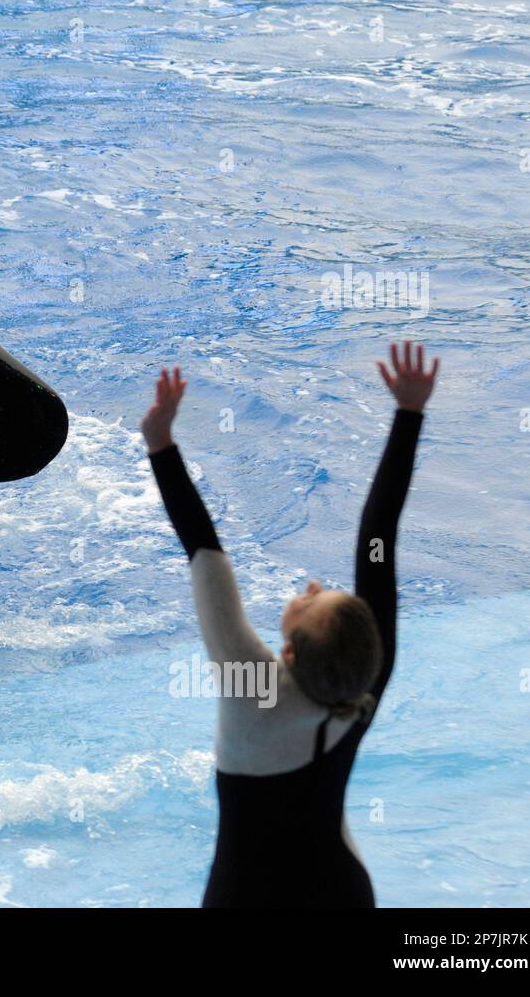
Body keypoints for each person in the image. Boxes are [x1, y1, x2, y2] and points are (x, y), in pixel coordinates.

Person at [141, 342, 438, 907]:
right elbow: (380, 537)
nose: (312, 587)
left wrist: (160, 443)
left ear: (293, 655)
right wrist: (409, 415)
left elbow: (207, 558)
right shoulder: (364, 684)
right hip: (342, 893)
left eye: (313, 600)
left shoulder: (251, 687)